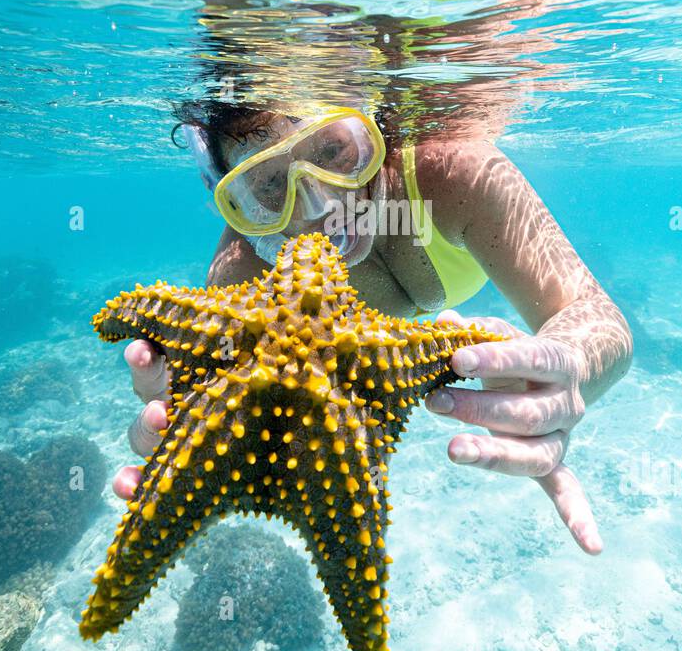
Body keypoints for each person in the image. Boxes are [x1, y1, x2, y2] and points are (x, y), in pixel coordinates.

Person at [115, 101, 632, 555]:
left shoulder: (454, 173)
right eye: (270, 184)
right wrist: (197, 430)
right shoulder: (246, 272)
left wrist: (566, 365)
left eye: (334, 150)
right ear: (240, 204)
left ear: (372, 126)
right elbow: (222, 406)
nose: (319, 204)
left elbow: (595, 312)